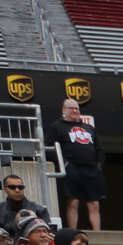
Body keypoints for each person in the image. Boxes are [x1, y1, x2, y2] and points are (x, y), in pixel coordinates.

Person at [49, 99, 107, 231]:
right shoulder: (57, 126)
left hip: (91, 169)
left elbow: (99, 149)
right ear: (64, 110)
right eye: (71, 108)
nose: (75, 111)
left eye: (77, 108)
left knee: (94, 204)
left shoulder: (89, 128)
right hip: (72, 167)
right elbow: (50, 147)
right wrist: (64, 163)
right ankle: (73, 232)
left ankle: (97, 233)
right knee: (73, 202)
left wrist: (99, 165)